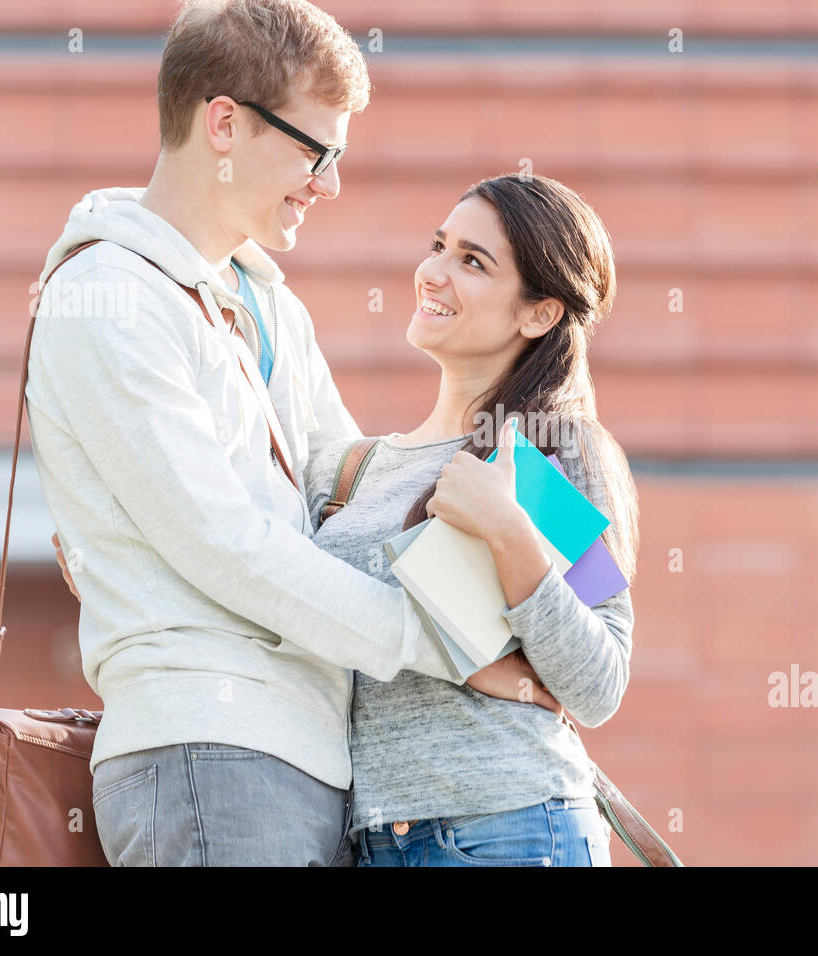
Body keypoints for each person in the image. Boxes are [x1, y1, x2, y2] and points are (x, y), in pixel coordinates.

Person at [30, 0, 550, 867]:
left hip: (311, 758)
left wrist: (540, 507)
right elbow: (224, 544)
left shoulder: (266, 303)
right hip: (210, 748)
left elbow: (352, 496)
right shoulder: (109, 298)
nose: (329, 184)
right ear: (224, 123)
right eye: (315, 151)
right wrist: (451, 652)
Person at [305, 174, 640, 867]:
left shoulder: (543, 455)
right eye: (439, 247)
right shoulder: (352, 472)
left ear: (539, 314)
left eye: (472, 261)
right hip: (374, 839)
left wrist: (510, 530)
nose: (433, 273)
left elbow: (599, 681)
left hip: (509, 827)